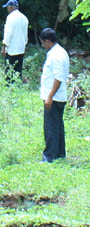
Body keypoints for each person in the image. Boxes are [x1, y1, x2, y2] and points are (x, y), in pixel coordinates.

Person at [39, 28, 69, 162]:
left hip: (54, 96)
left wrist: (50, 97)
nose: (43, 46)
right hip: (59, 96)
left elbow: (58, 78)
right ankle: (59, 153)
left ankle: (49, 155)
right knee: (57, 125)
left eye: (43, 43)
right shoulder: (60, 52)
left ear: (47, 41)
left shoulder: (56, 55)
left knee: (50, 126)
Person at [1, 0, 29, 80]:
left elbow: (8, 34)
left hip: (11, 49)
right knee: (18, 71)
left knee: (9, 71)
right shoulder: (24, 18)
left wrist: (3, 47)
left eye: (8, 7)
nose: (7, 9)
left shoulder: (10, 18)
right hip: (21, 49)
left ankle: (8, 87)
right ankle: (17, 85)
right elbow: (25, 35)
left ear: (11, 7)